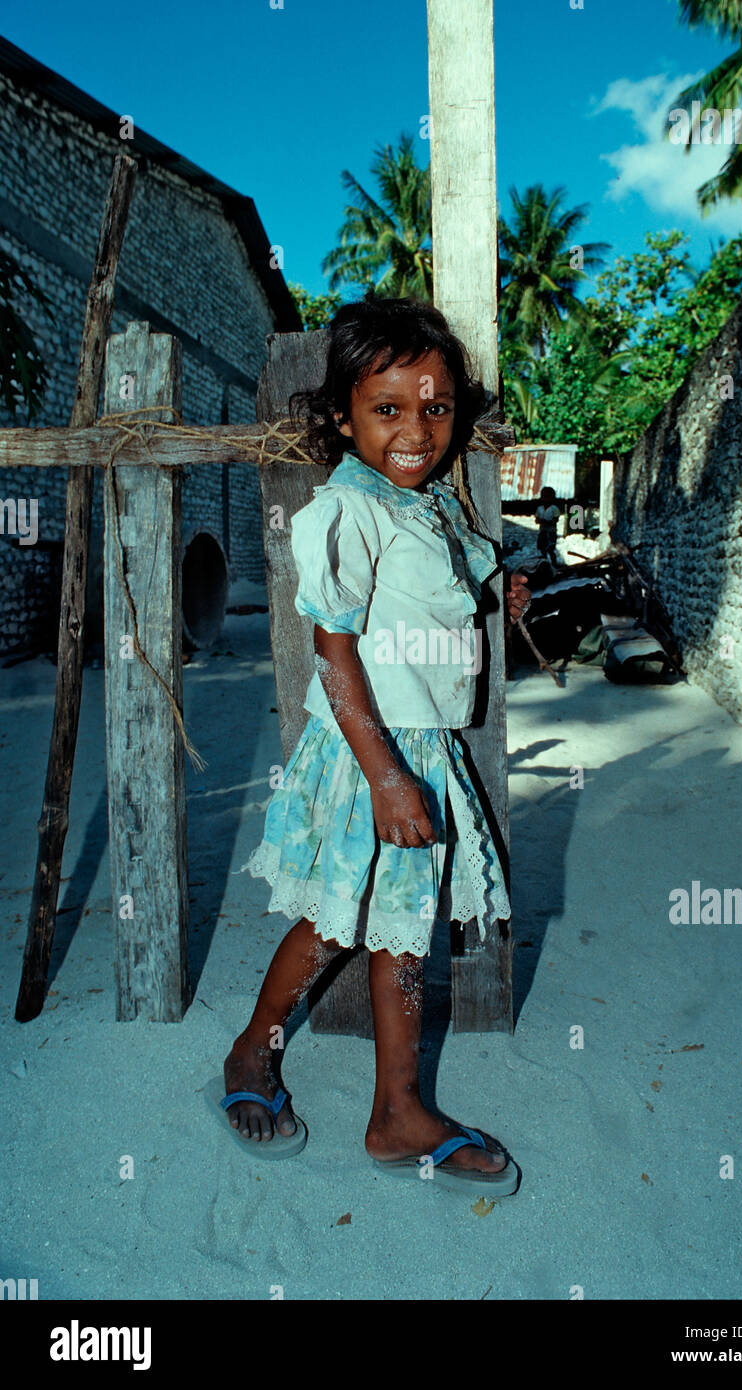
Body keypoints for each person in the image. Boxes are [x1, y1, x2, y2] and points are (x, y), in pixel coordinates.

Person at [211, 297, 531, 1195]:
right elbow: (336, 652)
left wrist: (499, 596)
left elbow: (461, 574)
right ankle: (252, 1052)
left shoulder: (424, 504)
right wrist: (387, 777)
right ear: (344, 415)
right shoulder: (346, 512)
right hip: (371, 757)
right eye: (387, 408)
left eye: (435, 407)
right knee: (331, 924)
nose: (415, 429)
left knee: (397, 930)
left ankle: (396, 1113)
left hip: (421, 751)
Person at [535, 486, 560, 566]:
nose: (546, 499)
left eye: (548, 497)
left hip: (551, 532)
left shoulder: (554, 508)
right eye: (544, 497)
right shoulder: (539, 509)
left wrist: (545, 521)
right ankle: (544, 564)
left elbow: (555, 520)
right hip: (542, 531)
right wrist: (542, 521)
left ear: (552, 498)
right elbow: (537, 520)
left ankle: (554, 564)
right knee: (542, 549)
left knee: (551, 549)